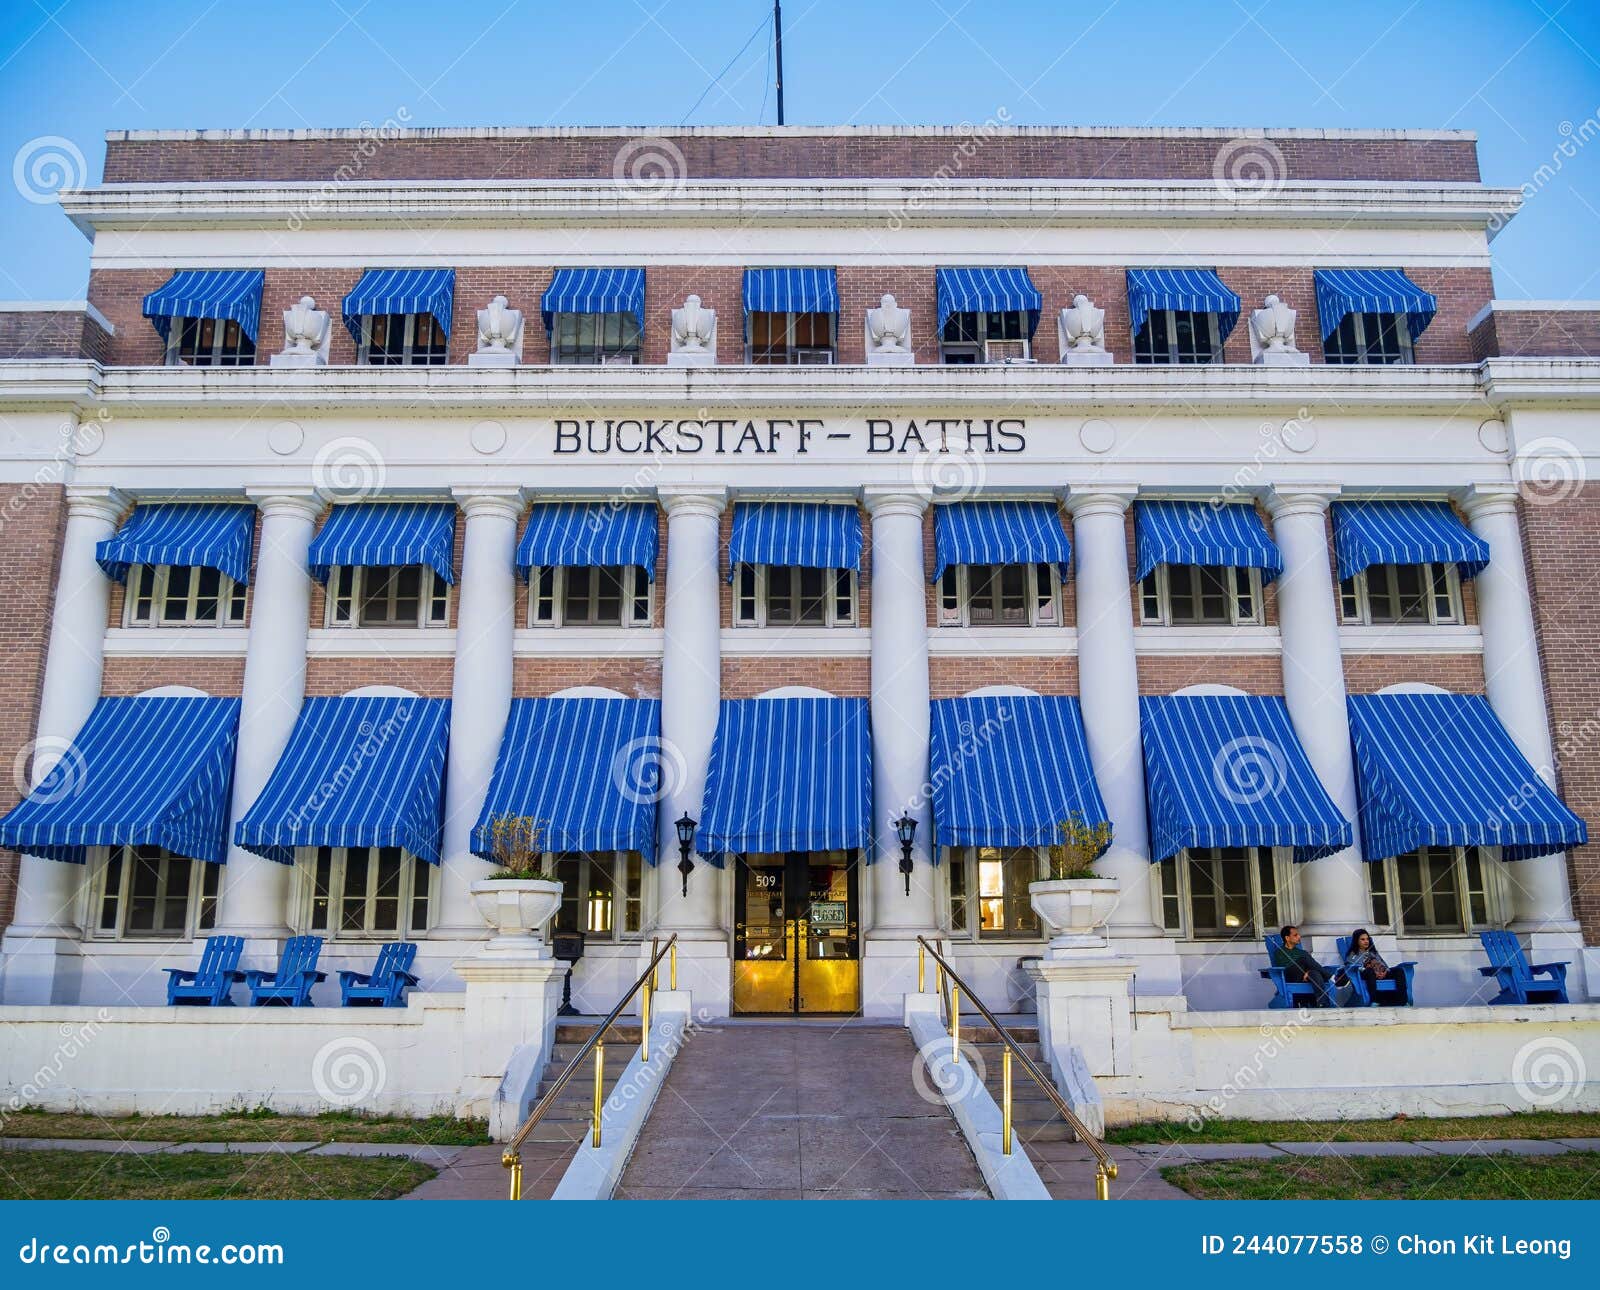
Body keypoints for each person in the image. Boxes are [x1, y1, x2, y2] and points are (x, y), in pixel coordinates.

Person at [1272, 924, 1340, 1007]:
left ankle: (1322, 1004)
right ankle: (1331, 977)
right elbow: (1284, 967)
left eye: (1298, 934)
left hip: (1305, 977)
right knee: (1304, 959)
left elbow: (1312, 965)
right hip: (1290, 977)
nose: (1299, 937)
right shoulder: (1279, 952)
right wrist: (1304, 971)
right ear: (1287, 938)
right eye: (1295, 935)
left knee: (1314, 973)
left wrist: (1308, 972)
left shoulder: (1302, 952)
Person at [1344, 928, 1407, 1005]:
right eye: (1362, 939)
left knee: (1399, 970)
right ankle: (1375, 1000)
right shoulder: (1353, 955)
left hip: (1381, 973)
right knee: (1370, 971)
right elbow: (1352, 966)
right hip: (1367, 975)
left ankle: (1402, 1000)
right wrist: (1373, 971)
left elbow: (1384, 964)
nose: (1366, 941)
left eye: (1367, 939)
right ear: (1356, 941)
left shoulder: (1373, 952)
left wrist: (1385, 971)